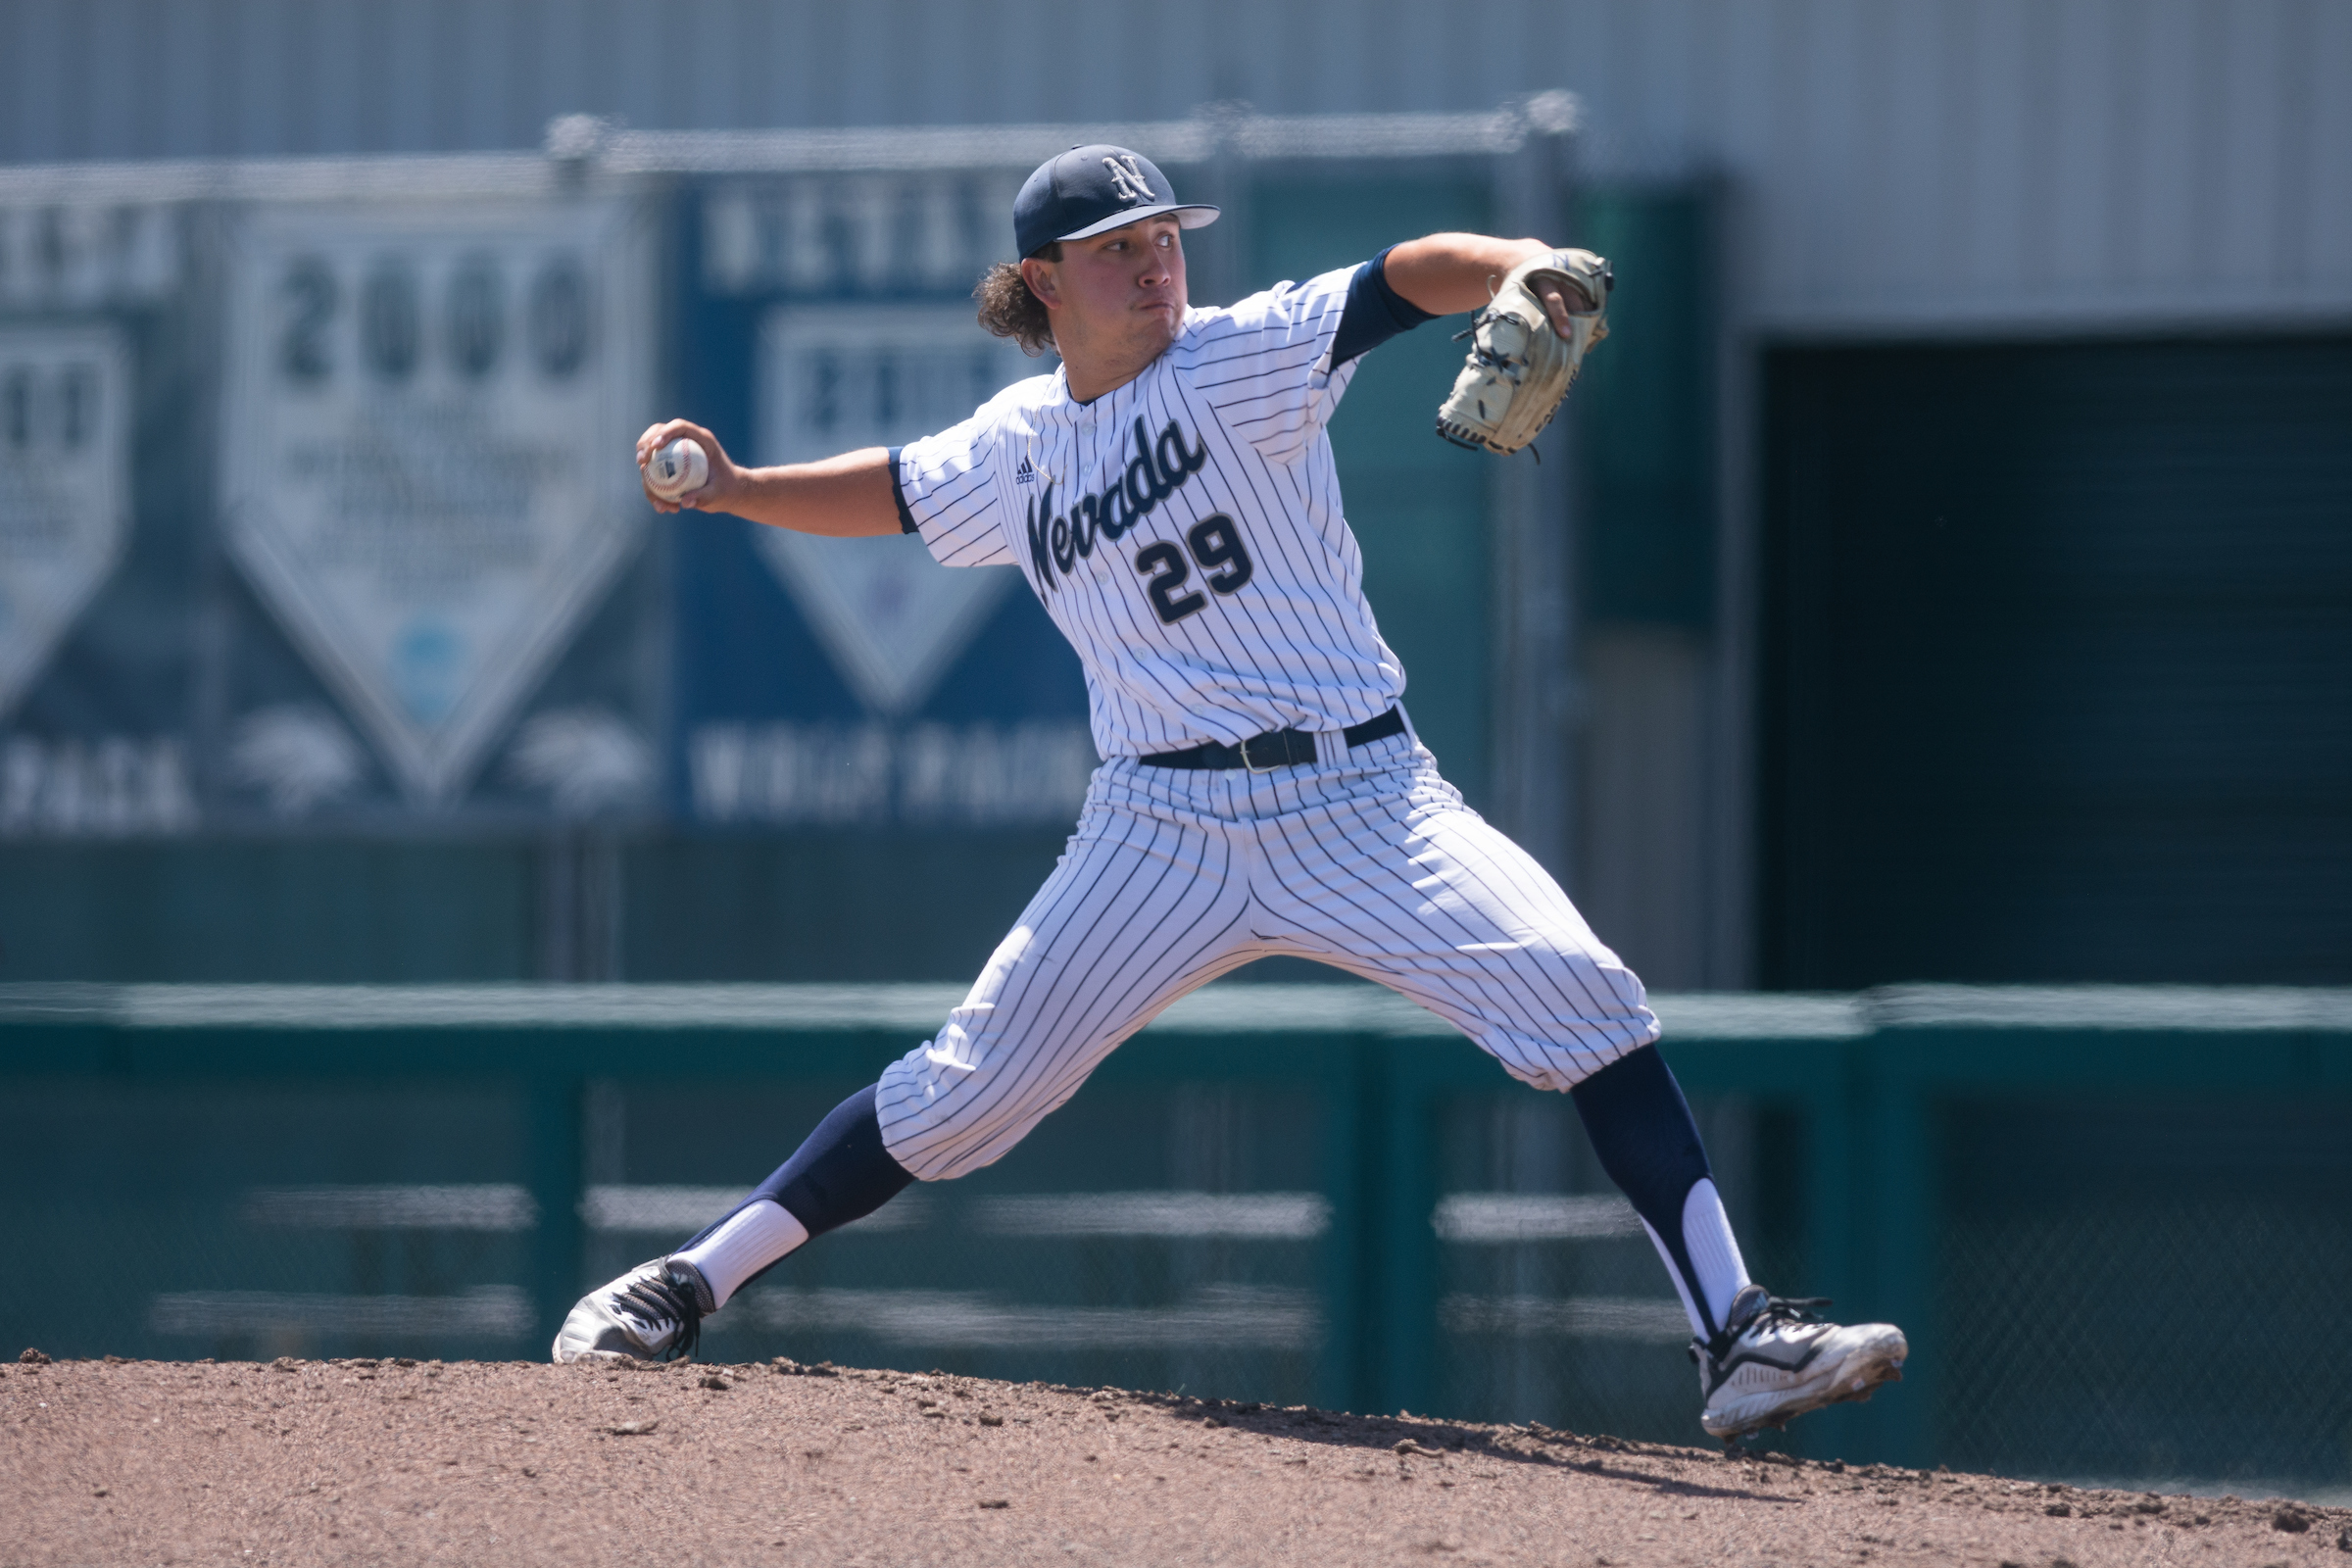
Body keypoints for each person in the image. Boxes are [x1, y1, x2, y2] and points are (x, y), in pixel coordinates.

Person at [555, 145, 1905, 1441]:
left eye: (1163, 241)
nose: (1157, 268)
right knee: (962, 1092)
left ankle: (1736, 1337)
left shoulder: (1238, 358)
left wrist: (1522, 258)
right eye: (1119, 251)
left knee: (1586, 993)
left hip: (1363, 795)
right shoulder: (1020, 443)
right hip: (1158, 830)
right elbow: (896, 494)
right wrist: (736, 488)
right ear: (1043, 283)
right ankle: (685, 1282)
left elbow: (1405, 274)